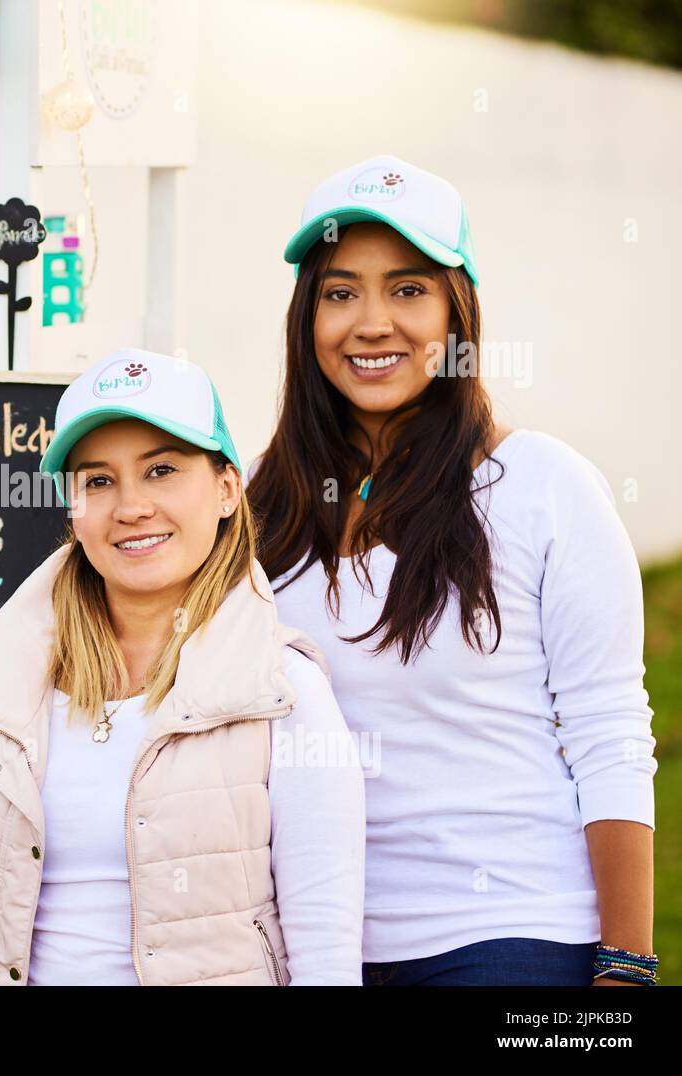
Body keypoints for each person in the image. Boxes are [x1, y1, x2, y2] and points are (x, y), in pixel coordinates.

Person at [246, 154, 659, 986]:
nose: (371, 323)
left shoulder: (543, 486)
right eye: (340, 292)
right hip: (315, 947)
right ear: (307, 318)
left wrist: (627, 965)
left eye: (407, 290)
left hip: (508, 935)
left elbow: (609, 730)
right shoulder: (261, 505)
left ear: (455, 314)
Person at [0, 348, 365, 985]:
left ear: (228, 489)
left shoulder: (281, 692)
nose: (130, 507)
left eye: (162, 471)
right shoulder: (6, 684)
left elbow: (326, 944)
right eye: (97, 481)